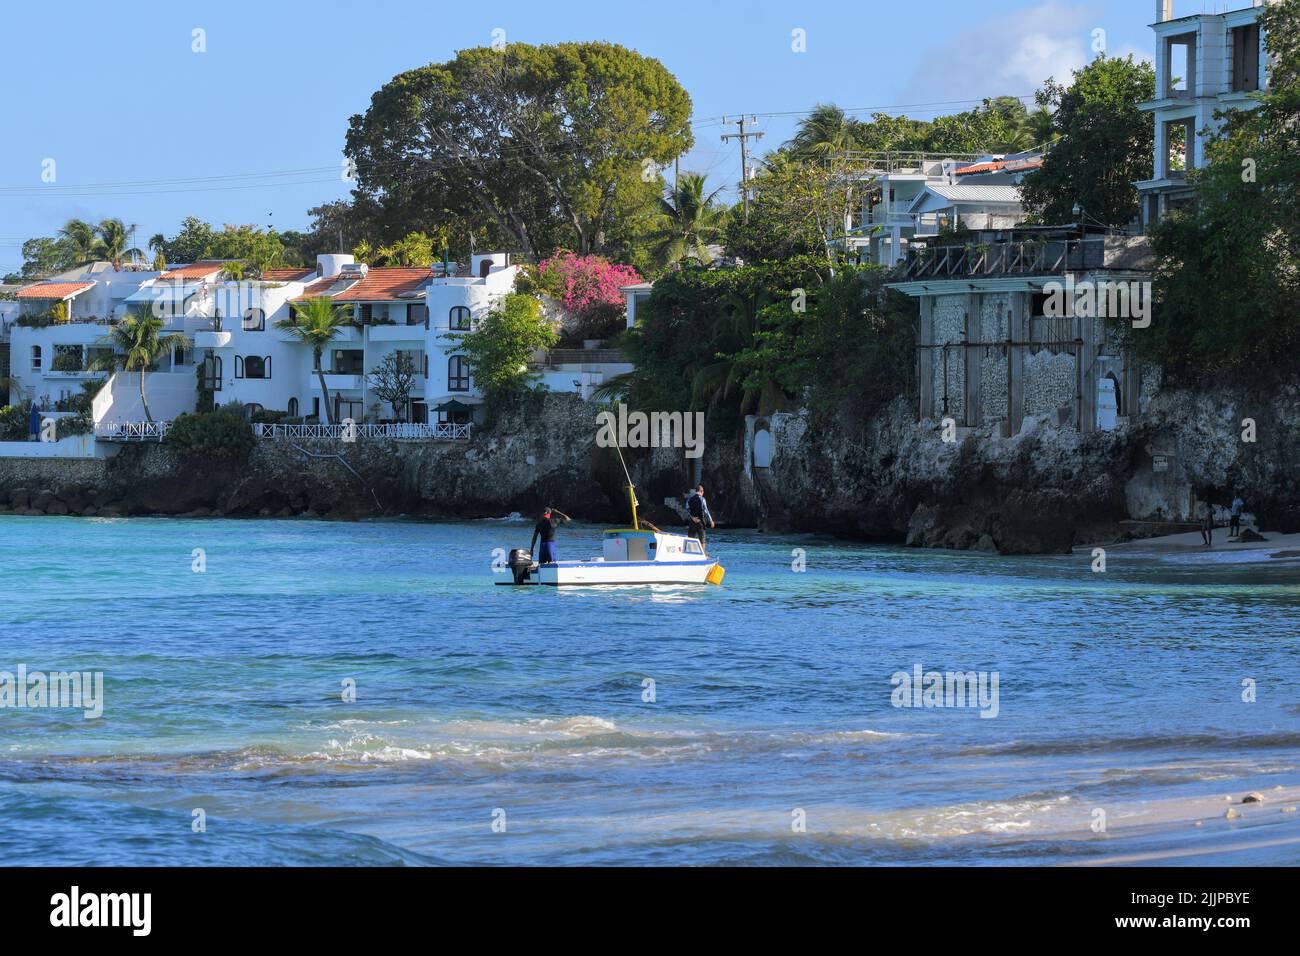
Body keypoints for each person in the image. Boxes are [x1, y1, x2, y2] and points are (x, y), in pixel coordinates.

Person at [685, 484, 715, 553]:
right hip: (701, 523)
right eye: (703, 492)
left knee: (691, 540)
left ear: (696, 491)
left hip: (692, 523)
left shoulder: (690, 499)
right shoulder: (702, 499)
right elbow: (706, 510)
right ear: (701, 491)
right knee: (702, 540)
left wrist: (692, 518)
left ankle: (690, 555)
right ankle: (702, 555)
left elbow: (687, 509)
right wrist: (711, 520)